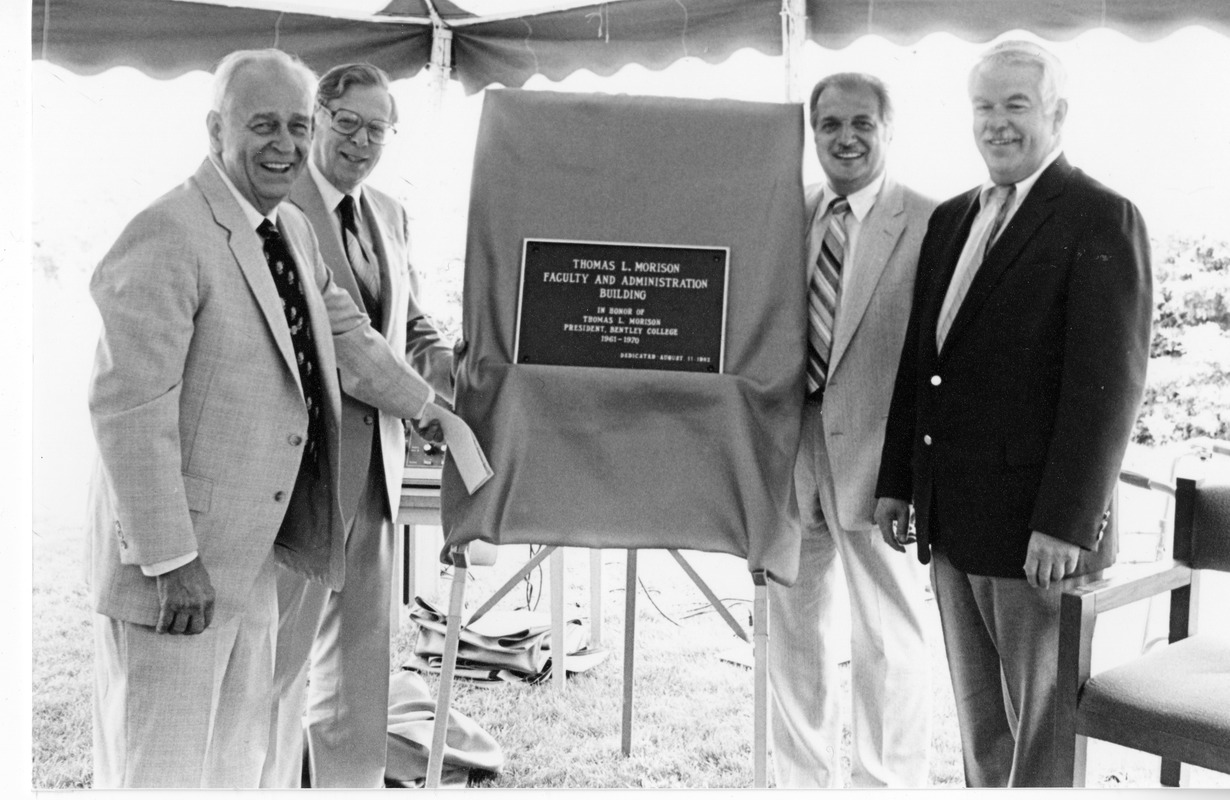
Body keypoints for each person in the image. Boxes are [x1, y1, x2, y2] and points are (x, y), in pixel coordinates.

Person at [86, 48, 446, 789]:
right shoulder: (168, 231)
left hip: (255, 556)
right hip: (178, 570)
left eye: (297, 125)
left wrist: (431, 410)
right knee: (161, 770)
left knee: (236, 761)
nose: (285, 144)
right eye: (263, 125)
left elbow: (350, 338)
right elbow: (129, 413)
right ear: (216, 128)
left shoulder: (289, 231)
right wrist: (169, 560)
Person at [874, 40, 1151, 787]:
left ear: (1058, 114)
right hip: (952, 520)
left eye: (1016, 105)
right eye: (983, 106)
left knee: (1043, 730)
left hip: (1039, 536)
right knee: (983, 732)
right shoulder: (951, 218)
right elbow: (922, 361)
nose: (996, 122)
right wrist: (898, 481)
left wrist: (1065, 523)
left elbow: (1108, 388)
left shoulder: (1102, 217)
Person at [262, 63, 454, 789]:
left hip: (379, 471)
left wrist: (452, 370)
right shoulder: (278, 206)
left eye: (378, 129)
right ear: (317, 117)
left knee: (361, 663)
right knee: (279, 657)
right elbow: (339, 344)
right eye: (348, 123)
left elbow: (408, 321)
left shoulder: (391, 214)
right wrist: (424, 404)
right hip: (302, 471)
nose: (361, 141)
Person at [768, 72, 936, 789]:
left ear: (888, 130)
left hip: (880, 460)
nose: (845, 138)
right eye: (830, 124)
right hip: (789, 454)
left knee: (887, 637)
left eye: (862, 123)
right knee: (792, 632)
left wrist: (916, 473)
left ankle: (885, 784)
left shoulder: (931, 221)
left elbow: (937, 357)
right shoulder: (786, 214)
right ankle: (802, 782)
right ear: (812, 133)